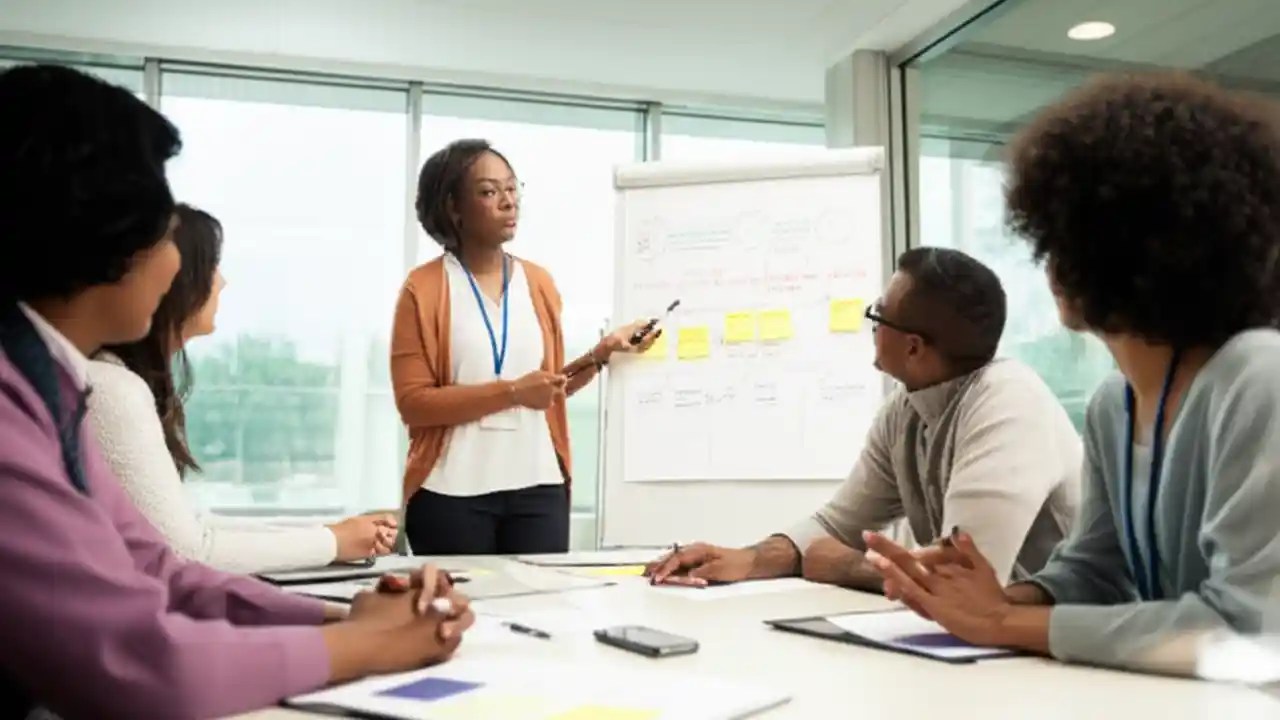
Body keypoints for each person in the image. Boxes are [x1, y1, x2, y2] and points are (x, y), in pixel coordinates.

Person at [0, 63, 472, 719]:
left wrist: (343, 616)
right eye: (165, 226)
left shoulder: (51, 380)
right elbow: (136, 663)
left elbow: (154, 569)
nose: (181, 263)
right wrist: (364, 645)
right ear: (105, 235)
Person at [864, 72, 1280, 679]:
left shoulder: (1257, 376)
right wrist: (994, 601)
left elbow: (1253, 634)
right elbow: (1096, 572)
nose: (1050, 264)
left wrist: (1002, 624)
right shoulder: (1115, 403)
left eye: (1065, 240)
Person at [645, 247, 1081, 590]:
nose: (871, 326)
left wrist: (841, 564)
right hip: (990, 644)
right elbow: (837, 524)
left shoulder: (1008, 404)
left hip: (1069, 657)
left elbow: (961, 578)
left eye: (878, 314)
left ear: (913, 347)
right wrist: (749, 559)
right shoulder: (906, 410)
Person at [86, 203, 399, 574]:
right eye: (211, 266)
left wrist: (335, 535)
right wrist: (333, 540)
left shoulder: (116, 379)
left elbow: (191, 526)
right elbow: (188, 550)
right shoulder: (111, 388)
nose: (222, 281)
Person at [391, 138, 657, 555]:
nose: (508, 202)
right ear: (453, 207)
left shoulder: (538, 282)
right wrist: (512, 393)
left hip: (539, 488)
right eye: (489, 191)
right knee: (462, 617)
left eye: (512, 188)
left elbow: (547, 389)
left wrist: (602, 354)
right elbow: (414, 404)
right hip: (451, 492)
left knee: (542, 611)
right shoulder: (422, 288)